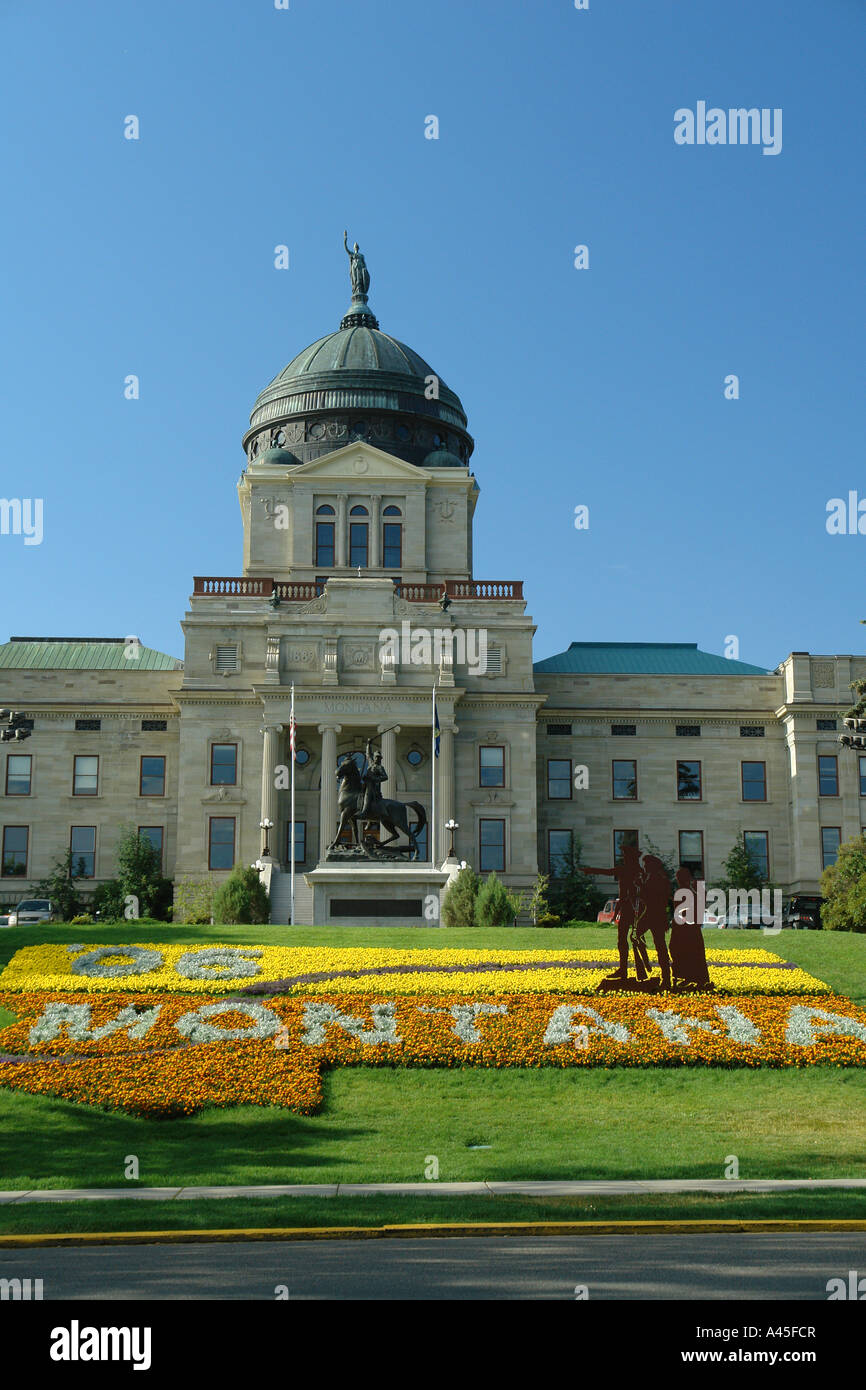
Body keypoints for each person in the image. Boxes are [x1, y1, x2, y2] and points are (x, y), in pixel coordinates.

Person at [582, 843, 644, 983]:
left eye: (625, 856)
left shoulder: (632, 871)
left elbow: (607, 872)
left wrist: (590, 870)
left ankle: (627, 970)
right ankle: (624, 970)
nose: (624, 858)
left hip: (633, 908)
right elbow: (608, 873)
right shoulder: (637, 870)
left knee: (627, 940)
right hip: (629, 908)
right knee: (623, 940)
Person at [631, 855, 673, 990]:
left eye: (646, 864)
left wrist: (640, 887)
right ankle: (647, 966)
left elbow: (651, 897)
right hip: (651, 915)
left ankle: (664, 977)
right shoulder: (651, 878)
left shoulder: (657, 879)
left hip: (654, 915)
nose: (644, 867)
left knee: (660, 946)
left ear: (652, 865)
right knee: (637, 937)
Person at [670, 867, 713, 989]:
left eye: (679, 878)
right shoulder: (692, 893)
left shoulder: (685, 893)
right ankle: (692, 977)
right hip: (690, 929)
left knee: (681, 952)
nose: (678, 880)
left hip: (684, 929)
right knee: (692, 953)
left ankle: (688, 977)